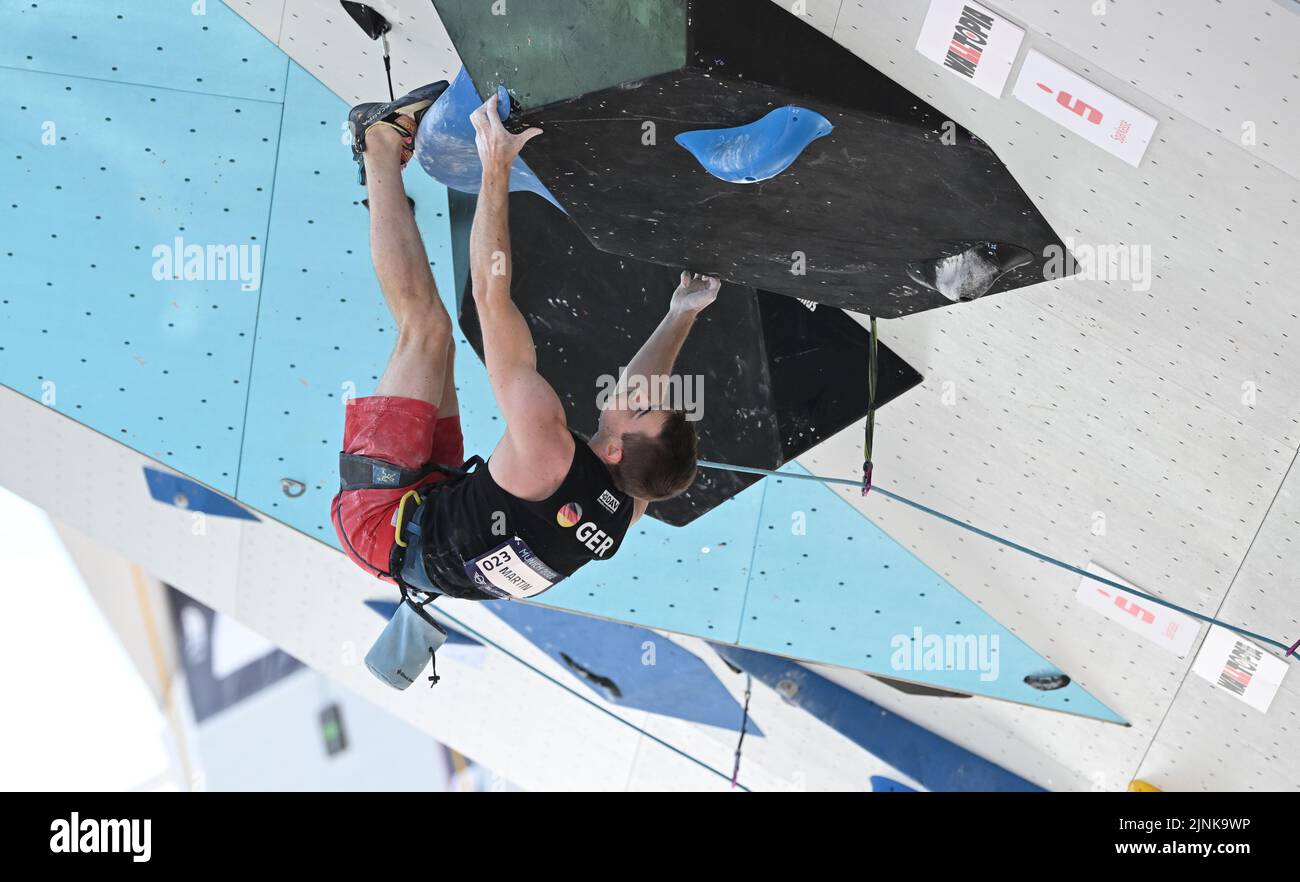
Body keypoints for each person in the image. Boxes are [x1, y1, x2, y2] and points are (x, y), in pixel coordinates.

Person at [332, 86, 718, 605]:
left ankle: (376, 140)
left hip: (380, 526)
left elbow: (492, 294)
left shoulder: (546, 444)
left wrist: (495, 164)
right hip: (438, 520)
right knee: (438, 338)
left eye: (643, 407)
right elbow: (642, 389)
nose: (640, 389)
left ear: (613, 448)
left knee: (425, 328)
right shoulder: (630, 499)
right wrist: (681, 312)